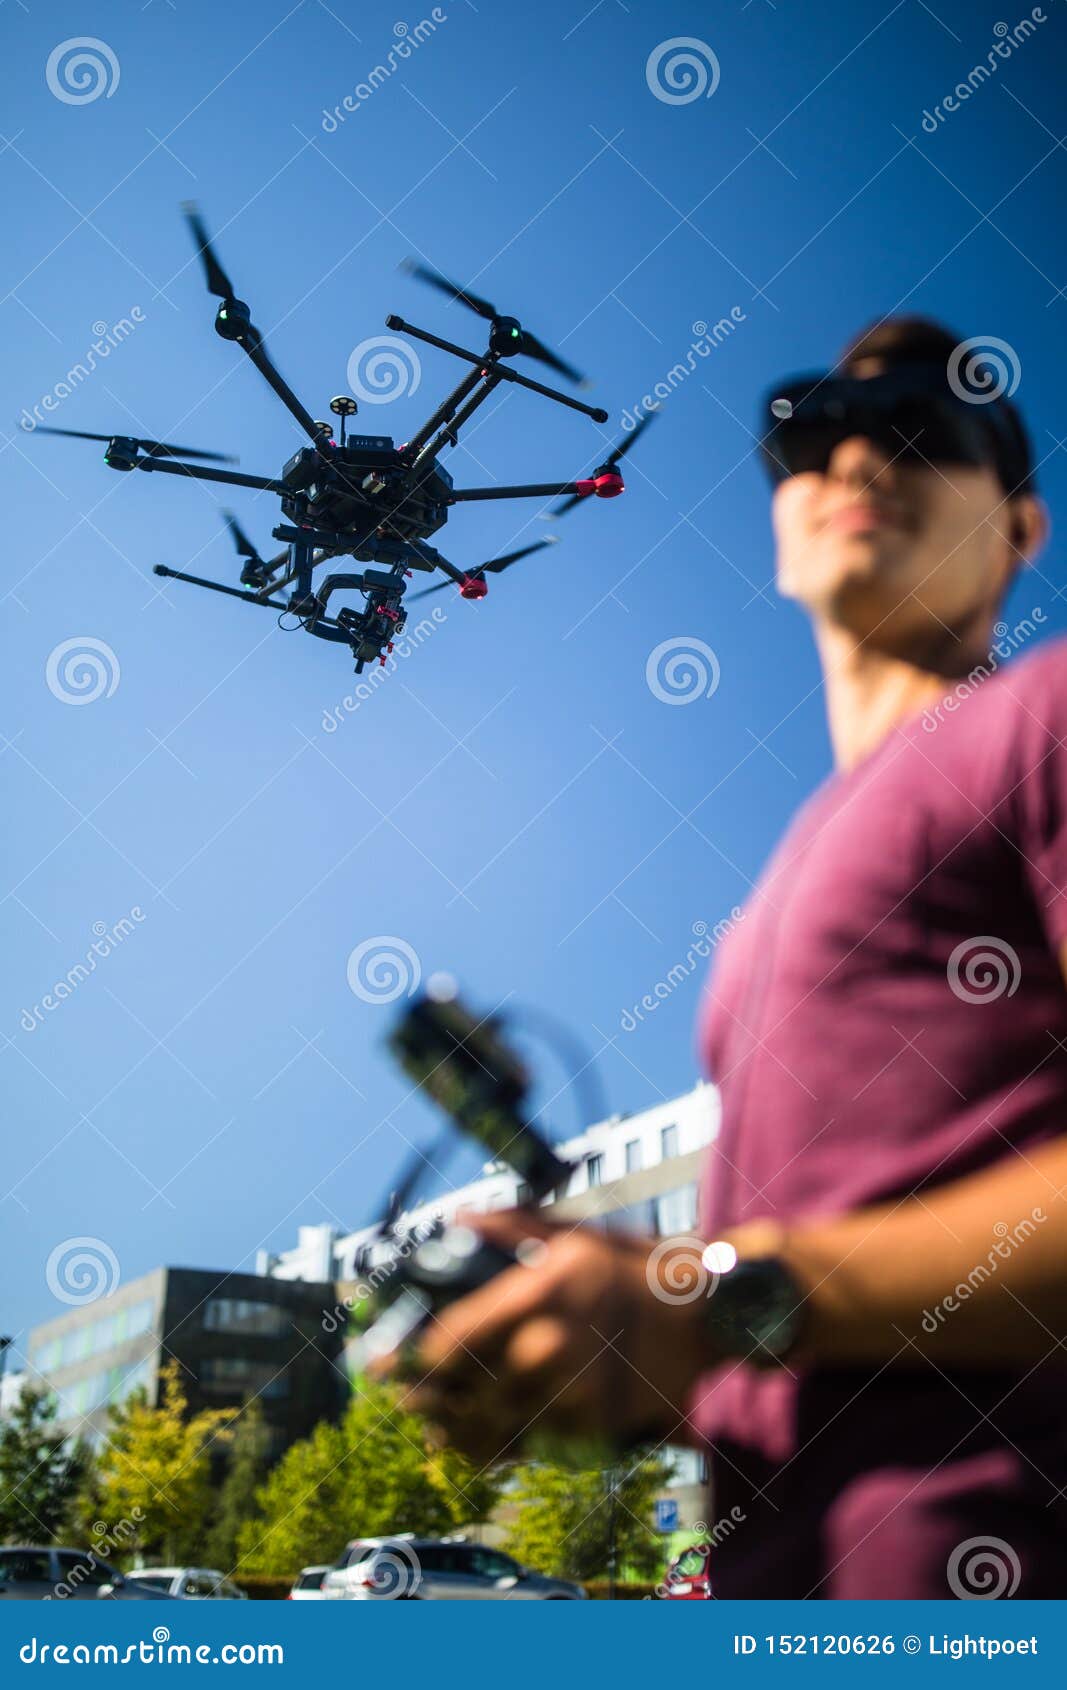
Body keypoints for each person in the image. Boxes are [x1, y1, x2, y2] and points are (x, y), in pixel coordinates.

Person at [382, 316, 1067, 1598]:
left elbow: (755, 1295)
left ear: (1019, 529)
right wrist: (594, 1351)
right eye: (809, 430)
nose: (858, 459)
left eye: (924, 426)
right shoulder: (761, 912)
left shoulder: (1041, 719)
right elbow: (796, 1324)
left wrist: (706, 1302)